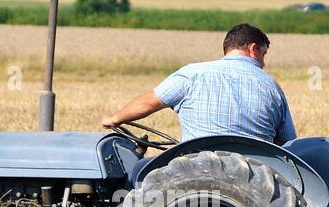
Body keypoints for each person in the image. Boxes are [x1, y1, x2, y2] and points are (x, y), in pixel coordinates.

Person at [100, 23, 296, 146]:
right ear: (253, 48)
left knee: (137, 174)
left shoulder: (193, 74)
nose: (264, 63)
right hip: (256, 178)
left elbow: (149, 102)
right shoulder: (272, 87)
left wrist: (115, 119)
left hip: (195, 169)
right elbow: (286, 142)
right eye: (264, 55)